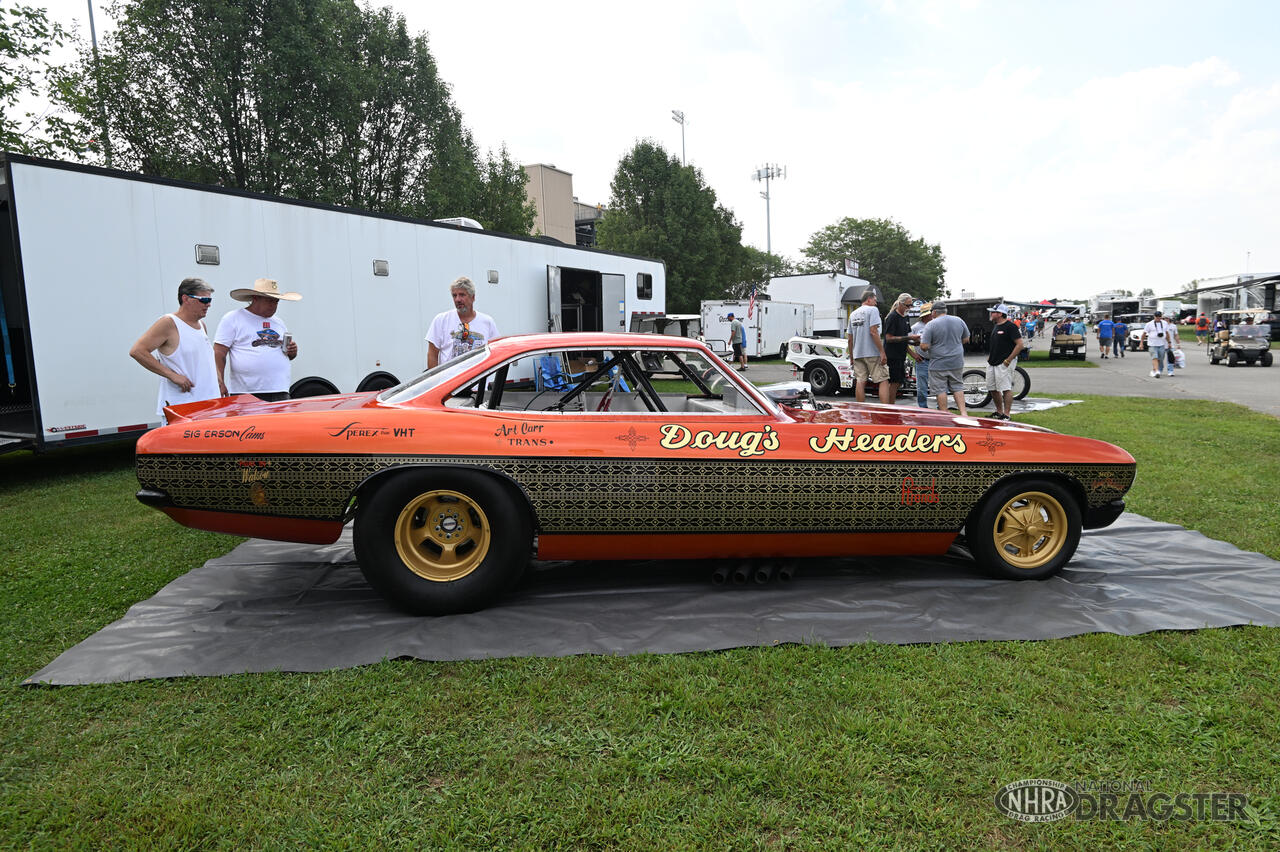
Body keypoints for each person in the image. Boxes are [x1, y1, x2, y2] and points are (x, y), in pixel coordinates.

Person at [129, 278, 221, 414]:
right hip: (182, 408)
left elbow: (205, 359)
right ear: (186, 299)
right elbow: (137, 351)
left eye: (210, 300)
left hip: (209, 405)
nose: (208, 305)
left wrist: (218, 379)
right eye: (204, 300)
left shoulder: (201, 325)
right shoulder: (169, 323)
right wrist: (172, 375)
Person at [214, 277, 301, 401]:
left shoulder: (278, 322)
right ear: (255, 298)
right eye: (269, 301)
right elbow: (219, 353)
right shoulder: (233, 318)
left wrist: (292, 352)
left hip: (279, 389)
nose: (274, 305)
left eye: (276, 301)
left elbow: (287, 354)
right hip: (246, 392)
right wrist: (220, 381)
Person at [426, 275, 499, 369]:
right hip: (452, 382)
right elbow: (432, 354)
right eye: (454, 295)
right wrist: (434, 380)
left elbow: (495, 353)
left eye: (462, 295)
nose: (457, 299)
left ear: (473, 297)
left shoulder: (487, 322)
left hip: (479, 381)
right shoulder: (441, 320)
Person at [919, 302, 970, 414]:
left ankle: (945, 413)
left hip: (938, 363)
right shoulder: (959, 320)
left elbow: (924, 346)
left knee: (940, 389)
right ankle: (963, 413)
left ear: (934, 312)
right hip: (956, 361)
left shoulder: (931, 325)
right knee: (957, 386)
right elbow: (966, 339)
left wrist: (927, 343)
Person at [847, 288, 889, 403]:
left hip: (858, 353)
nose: (876, 303)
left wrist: (851, 357)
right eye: (875, 300)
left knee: (860, 381)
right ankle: (885, 410)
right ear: (869, 299)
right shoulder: (873, 310)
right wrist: (882, 351)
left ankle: (861, 410)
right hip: (872, 352)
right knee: (883, 379)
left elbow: (850, 339)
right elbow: (873, 331)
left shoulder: (853, 314)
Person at [984, 304, 1025, 420]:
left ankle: (1007, 414)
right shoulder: (996, 326)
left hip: (1004, 362)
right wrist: (990, 356)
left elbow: (1020, 344)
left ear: (1000, 314)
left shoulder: (1010, 326)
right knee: (992, 388)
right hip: (993, 362)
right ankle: (999, 411)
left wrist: (1008, 360)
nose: (991, 314)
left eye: (993, 312)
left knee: (1006, 388)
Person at [882, 293, 917, 404]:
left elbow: (905, 339)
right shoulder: (892, 317)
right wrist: (909, 337)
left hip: (901, 355)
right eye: (907, 305)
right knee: (894, 382)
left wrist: (915, 344)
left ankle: (890, 405)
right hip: (892, 355)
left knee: (898, 382)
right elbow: (889, 338)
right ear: (900, 304)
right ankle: (890, 406)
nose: (909, 308)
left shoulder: (906, 317)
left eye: (911, 305)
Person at [909, 302, 933, 408]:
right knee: (922, 388)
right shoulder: (915, 327)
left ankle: (940, 409)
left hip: (935, 360)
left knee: (939, 387)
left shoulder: (935, 325)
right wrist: (913, 355)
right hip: (922, 361)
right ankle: (923, 408)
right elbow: (906, 342)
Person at [1142, 310, 1174, 378]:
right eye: (1157, 317)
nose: (1158, 318)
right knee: (1155, 357)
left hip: (1161, 344)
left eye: (1159, 317)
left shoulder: (1164, 323)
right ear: (1154, 316)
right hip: (1152, 344)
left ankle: (1154, 370)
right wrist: (1141, 343)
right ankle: (1156, 371)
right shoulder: (1149, 324)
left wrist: (1169, 342)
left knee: (1160, 359)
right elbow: (1144, 334)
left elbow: (1167, 333)